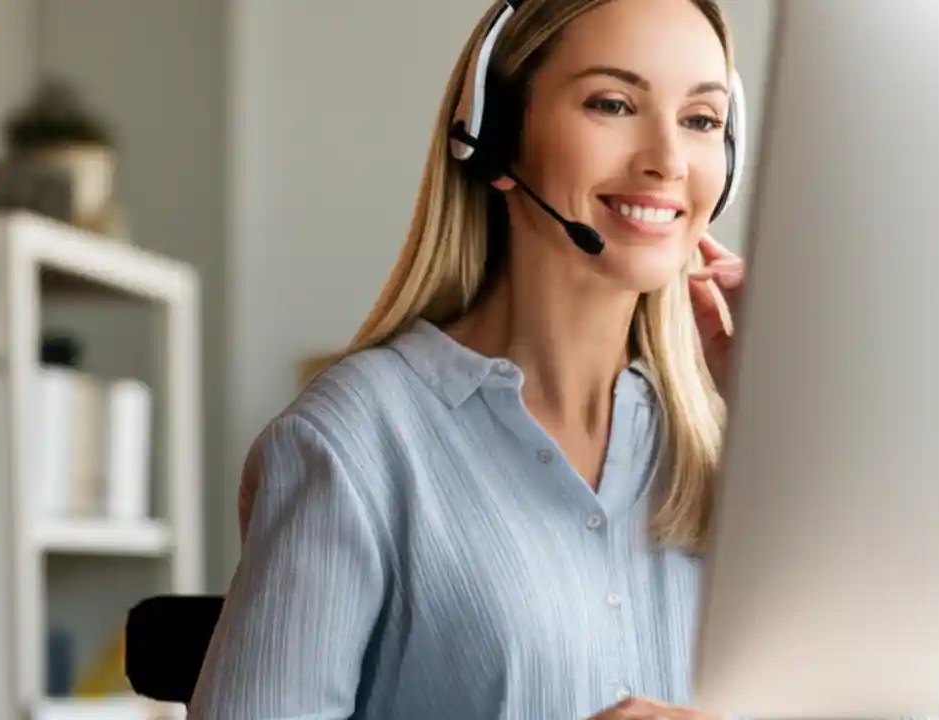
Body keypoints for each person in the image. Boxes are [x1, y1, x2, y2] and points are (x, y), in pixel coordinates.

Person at [188, 0, 746, 717]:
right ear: (492, 136)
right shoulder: (355, 440)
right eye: (613, 104)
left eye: (701, 120)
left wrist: (782, 426)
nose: (668, 161)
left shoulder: (731, 446)